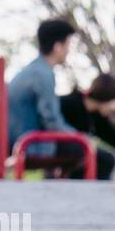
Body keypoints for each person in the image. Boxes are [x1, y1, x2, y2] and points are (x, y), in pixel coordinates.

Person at [7, 18, 78, 167]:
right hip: (30, 146)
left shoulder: (31, 70)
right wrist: (78, 136)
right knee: (101, 157)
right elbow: (51, 120)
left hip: (16, 142)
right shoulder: (43, 74)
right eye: (68, 45)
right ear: (58, 47)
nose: (68, 51)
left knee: (77, 148)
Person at [58, 74, 115, 180]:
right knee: (106, 160)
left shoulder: (96, 116)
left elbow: (111, 136)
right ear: (107, 97)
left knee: (105, 159)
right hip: (57, 147)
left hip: (76, 154)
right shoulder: (69, 103)